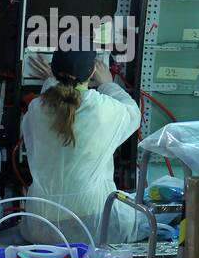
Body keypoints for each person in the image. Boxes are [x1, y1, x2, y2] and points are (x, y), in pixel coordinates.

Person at [21, 49, 142, 245]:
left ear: (54, 69)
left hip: (39, 228)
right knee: (151, 211)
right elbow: (134, 114)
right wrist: (108, 84)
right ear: (93, 69)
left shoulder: (35, 109)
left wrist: (51, 81)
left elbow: (52, 104)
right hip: (93, 230)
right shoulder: (105, 110)